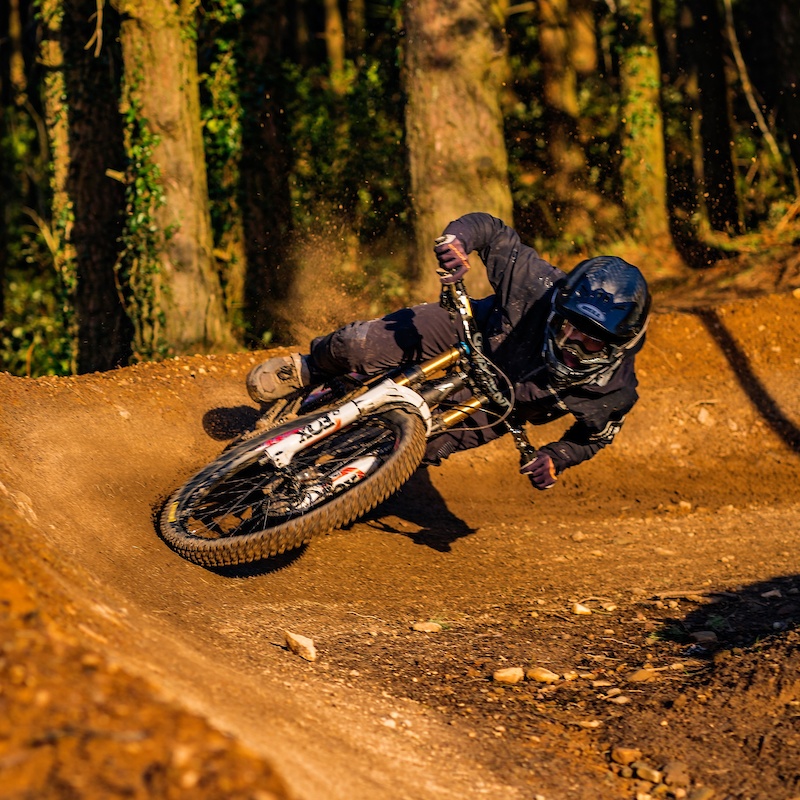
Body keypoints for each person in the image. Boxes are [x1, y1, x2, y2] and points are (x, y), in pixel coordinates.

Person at [246, 212, 650, 490]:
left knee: (417, 450)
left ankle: (330, 492)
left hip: (498, 406)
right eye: (568, 326)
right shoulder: (538, 285)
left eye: (592, 339)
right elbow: (492, 232)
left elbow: (595, 436)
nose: (573, 342)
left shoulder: (615, 390)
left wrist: (556, 456)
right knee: (360, 347)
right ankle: (310, 368)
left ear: (617, 346)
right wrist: (459, 241)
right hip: (473, 332)